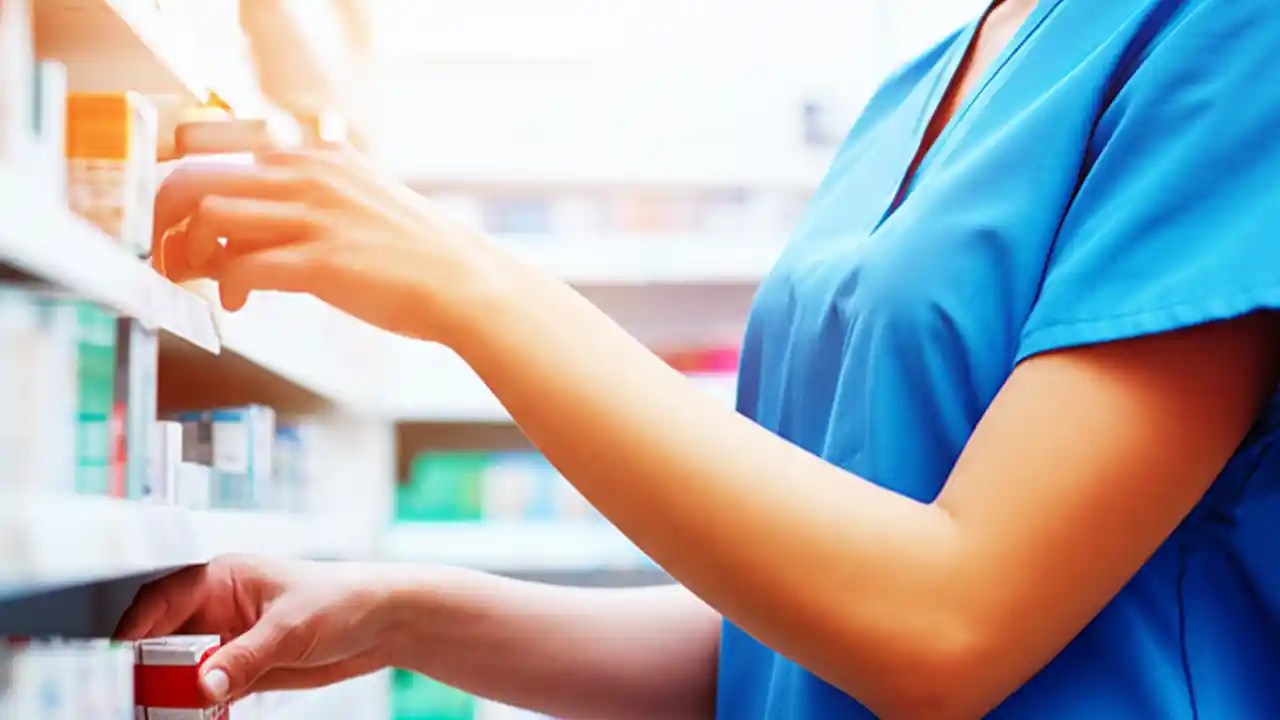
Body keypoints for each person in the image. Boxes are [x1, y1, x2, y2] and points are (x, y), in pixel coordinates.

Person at [117, 0, 1280, 717]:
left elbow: (942, 628)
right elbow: (795, 634)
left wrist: (462, 284)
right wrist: (399, 613)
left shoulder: (1230, 37)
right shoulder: (924, 79)